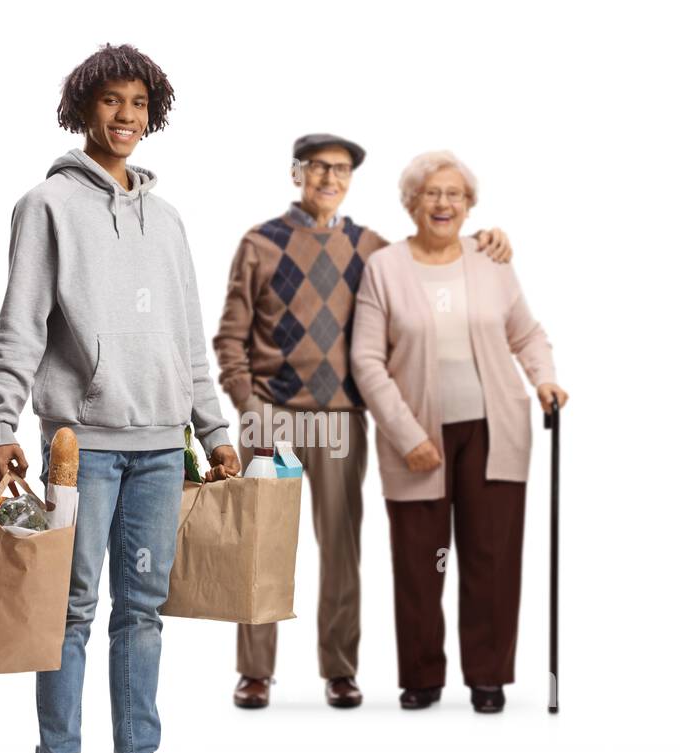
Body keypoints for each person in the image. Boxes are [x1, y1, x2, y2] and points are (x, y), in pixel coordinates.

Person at [0, 44, 240, 753]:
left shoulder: (167, 220)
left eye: (138, 104)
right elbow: (20, 325)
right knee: (69, 608)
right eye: (110, 102)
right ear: (82, 108)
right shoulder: (47, 205)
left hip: (164, 448)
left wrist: (214, 427)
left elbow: (190, 341)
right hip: (79, 448)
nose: (125, 117)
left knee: (144, 609)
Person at [213, 133, 514, 710]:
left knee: (342, 548)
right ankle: (255, 670)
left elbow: (427, 255)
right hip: (271, 416)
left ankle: (339, 668)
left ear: (351, 180)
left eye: (342, 171)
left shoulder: (370, 247)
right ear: (298, 172)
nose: (330, 179)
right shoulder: (260, 243)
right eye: (320, 168)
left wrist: (482, 239)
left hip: (342, 418)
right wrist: (247, 406)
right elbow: (231, 336)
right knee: (261, 544)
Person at [349, 150, 570, 714]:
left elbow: (527, 335)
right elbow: (367, 361)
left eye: (455, 194)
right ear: (412, 203)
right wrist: (408, 436)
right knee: (422, 560)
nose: (443, 203)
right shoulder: (386, 268)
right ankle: (421, 676)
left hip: (495, 431)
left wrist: (545, 380)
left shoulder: (491, 260)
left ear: (469, 205)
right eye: (431, 193)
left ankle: (488, 676)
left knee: (491, 558)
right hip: (418, 435)